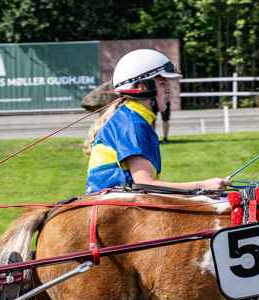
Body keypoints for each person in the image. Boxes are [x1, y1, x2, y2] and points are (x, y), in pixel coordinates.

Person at [83, 49, 225, 193]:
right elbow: (145, 183)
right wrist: (202, 185)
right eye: (163, 83)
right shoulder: (132, 124)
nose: (169, 89)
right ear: (141, 87)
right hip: (113, 206)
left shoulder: (133, 118)